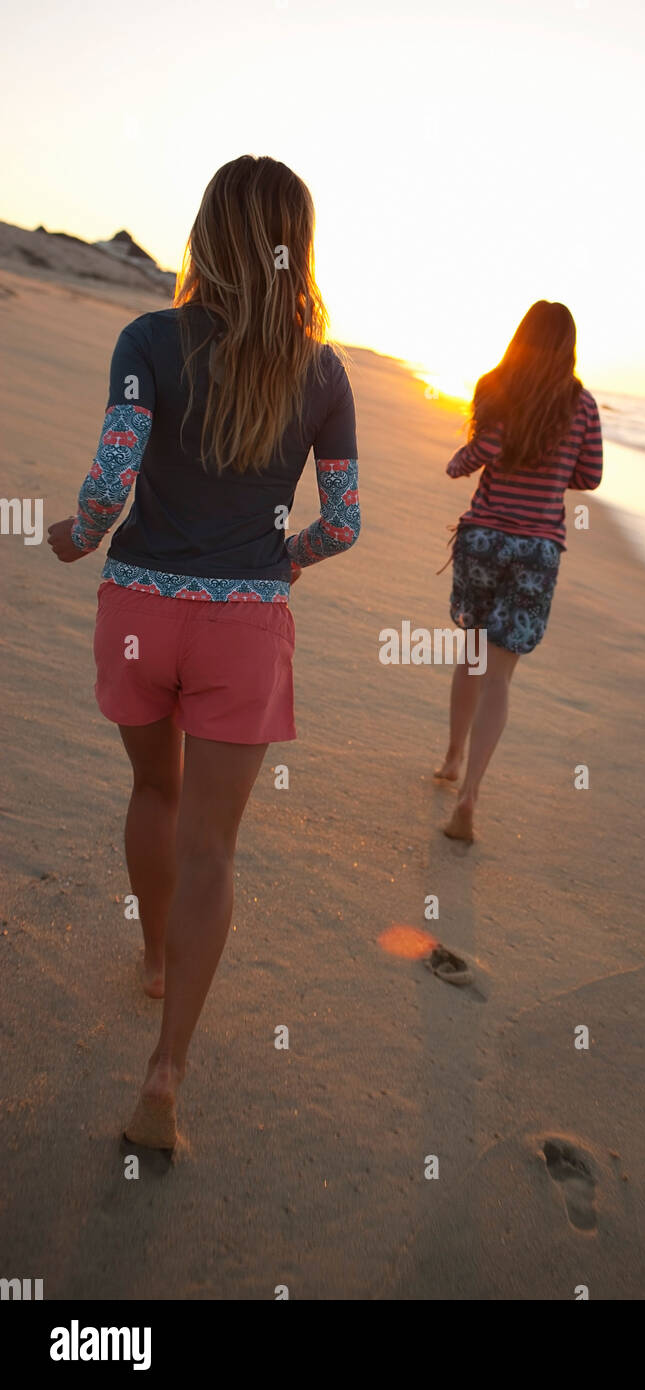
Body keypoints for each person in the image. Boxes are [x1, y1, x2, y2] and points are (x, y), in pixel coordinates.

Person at [47, 155, 360, 1150]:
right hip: (244, 627)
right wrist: (291, 556)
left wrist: (75, 533)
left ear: (205, 231)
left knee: (154, 794)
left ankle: (150, 955)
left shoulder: (148, 338)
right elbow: (345, 521)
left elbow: (111, 478)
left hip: (139, 610)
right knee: (214, 847)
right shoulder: (320, 370)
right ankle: (166, 1074)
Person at [435, 300, 602, 843]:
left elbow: (475, 454)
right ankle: (471, 794)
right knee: (501, 676)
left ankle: (452, 757)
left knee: (473, 655)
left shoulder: (494, 386)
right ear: (568, 346)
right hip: (536, 550)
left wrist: (464, 461)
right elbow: (592, 475)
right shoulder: (582, 405)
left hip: (484, 537)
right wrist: (552, 475)